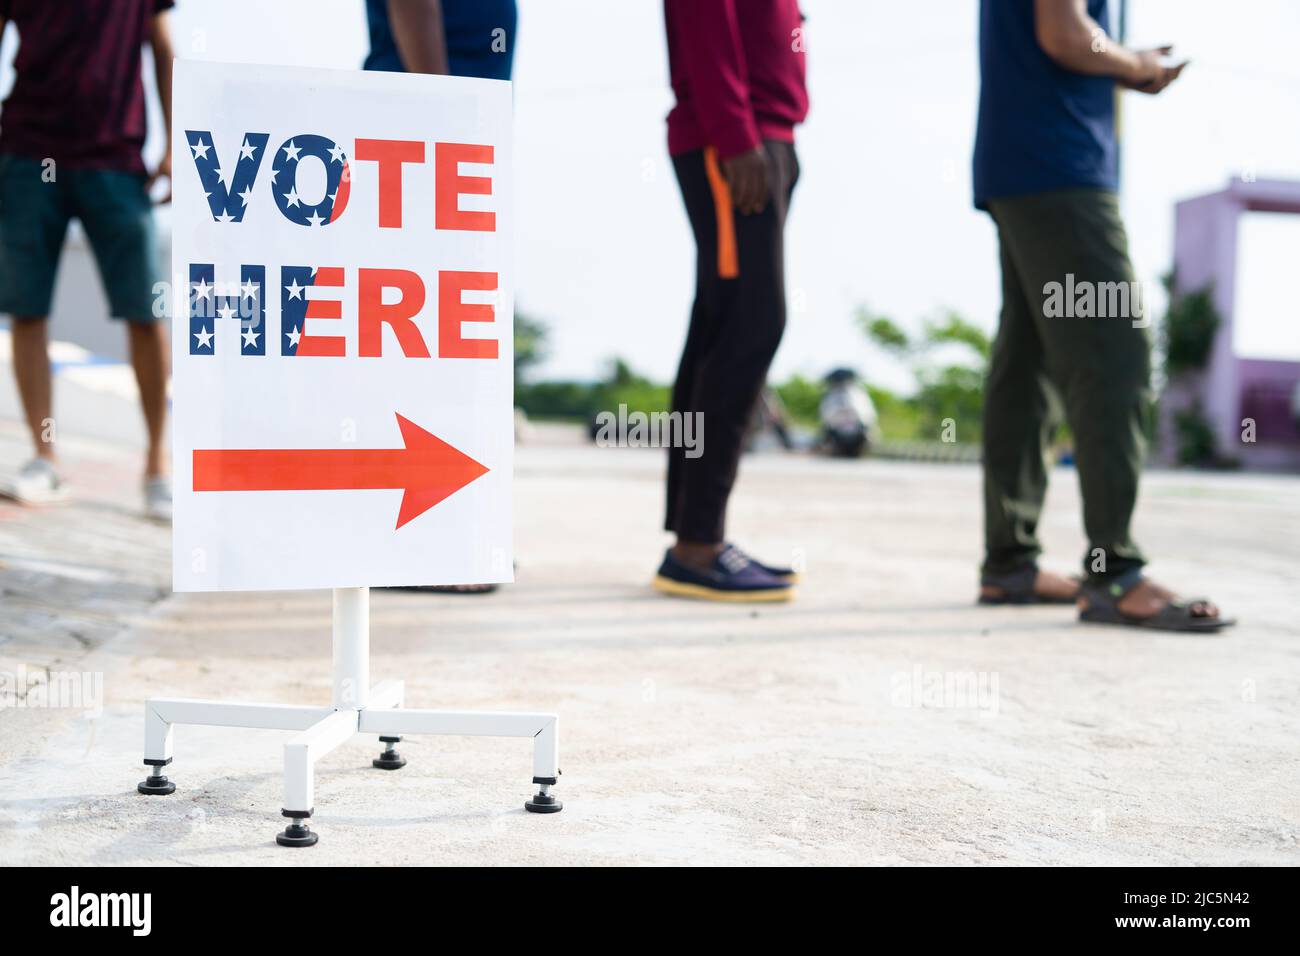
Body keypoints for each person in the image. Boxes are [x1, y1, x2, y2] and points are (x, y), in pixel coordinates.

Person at [973, 0, 1232, 630]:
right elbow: (1063, 33)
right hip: (1058, 165)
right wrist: (1134, 64)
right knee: (1116, 349)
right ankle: (1114, 573)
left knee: (1028, 358)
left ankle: (1009, 564)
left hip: (1023, 163)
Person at [652, 0, 808, 603]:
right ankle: (698, 545)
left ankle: (695, 534)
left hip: (759, 134)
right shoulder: (735, 137)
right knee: (753, 323)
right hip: (736, 140)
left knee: (720, 325)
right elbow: (704, 23)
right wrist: (736, 136)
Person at [0, 0, 174, 521]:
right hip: (28, 150)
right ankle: (44, 457)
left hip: (117, 157)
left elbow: (163, 47)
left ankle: (157, 468)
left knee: (147, 314)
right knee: (28, 310)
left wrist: (175, 145)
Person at [364, 0, 517, 594]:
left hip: (445, 126)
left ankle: (441, 535)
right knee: (421, 335)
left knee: (436, 336)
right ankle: (418, 546)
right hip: (424, 127)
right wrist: (442, 118)